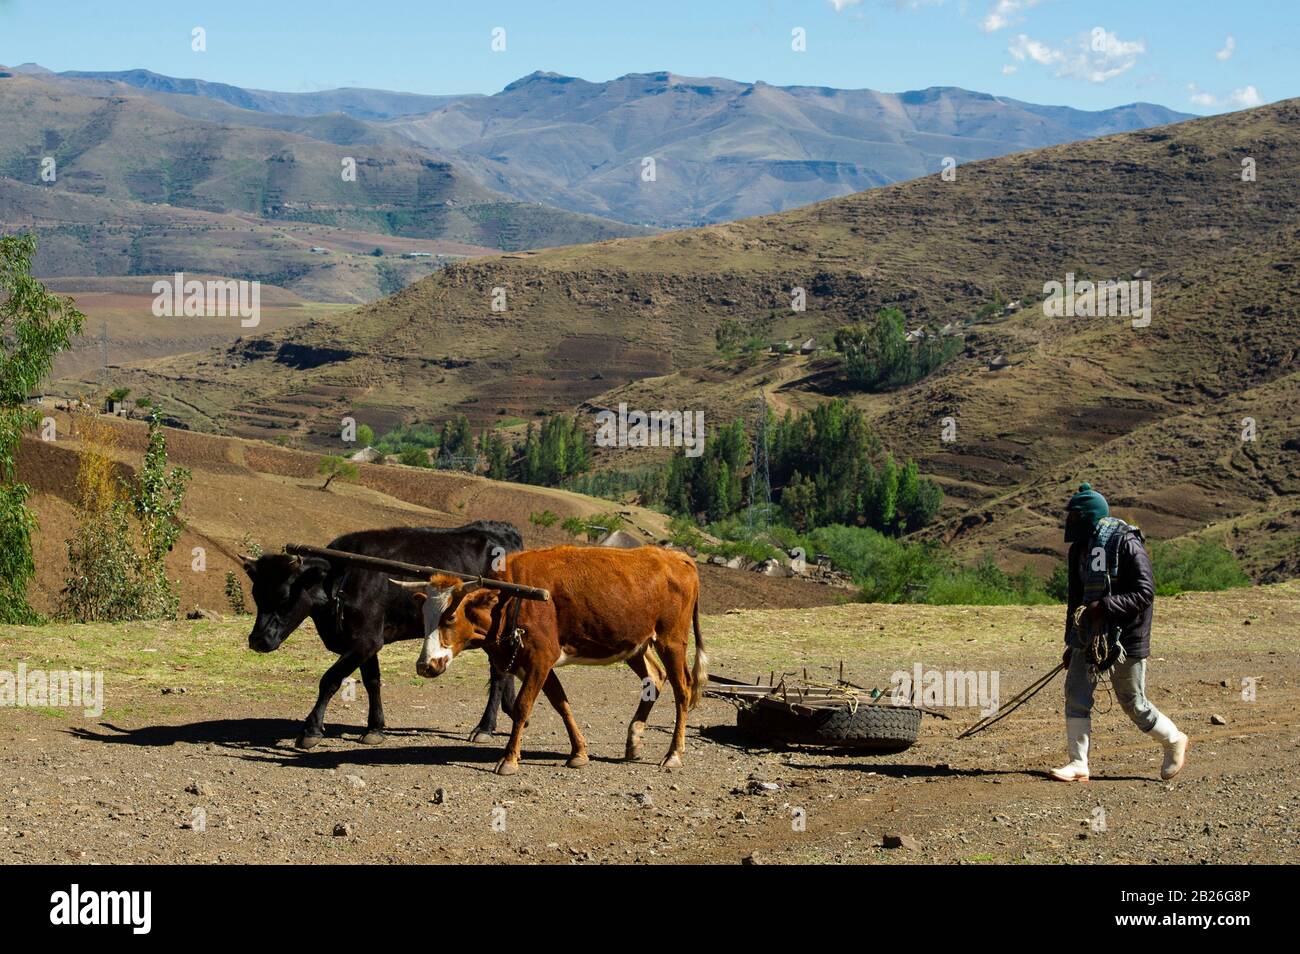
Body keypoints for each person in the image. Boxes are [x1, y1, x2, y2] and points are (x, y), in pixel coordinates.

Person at [1051, 483, 1188, 782]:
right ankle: (1078, 764)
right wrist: (1073, 642)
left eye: (1074, 516)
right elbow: (1076, 600)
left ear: (1088, 516)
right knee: (1076, 692)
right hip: (1090, 636)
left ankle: (1173, 740)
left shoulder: (1126, 543)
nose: (1069, 522)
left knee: (1133, 702)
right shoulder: (1078, 550)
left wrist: (1105, 607)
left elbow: (1145, 592)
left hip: (1127, 636)